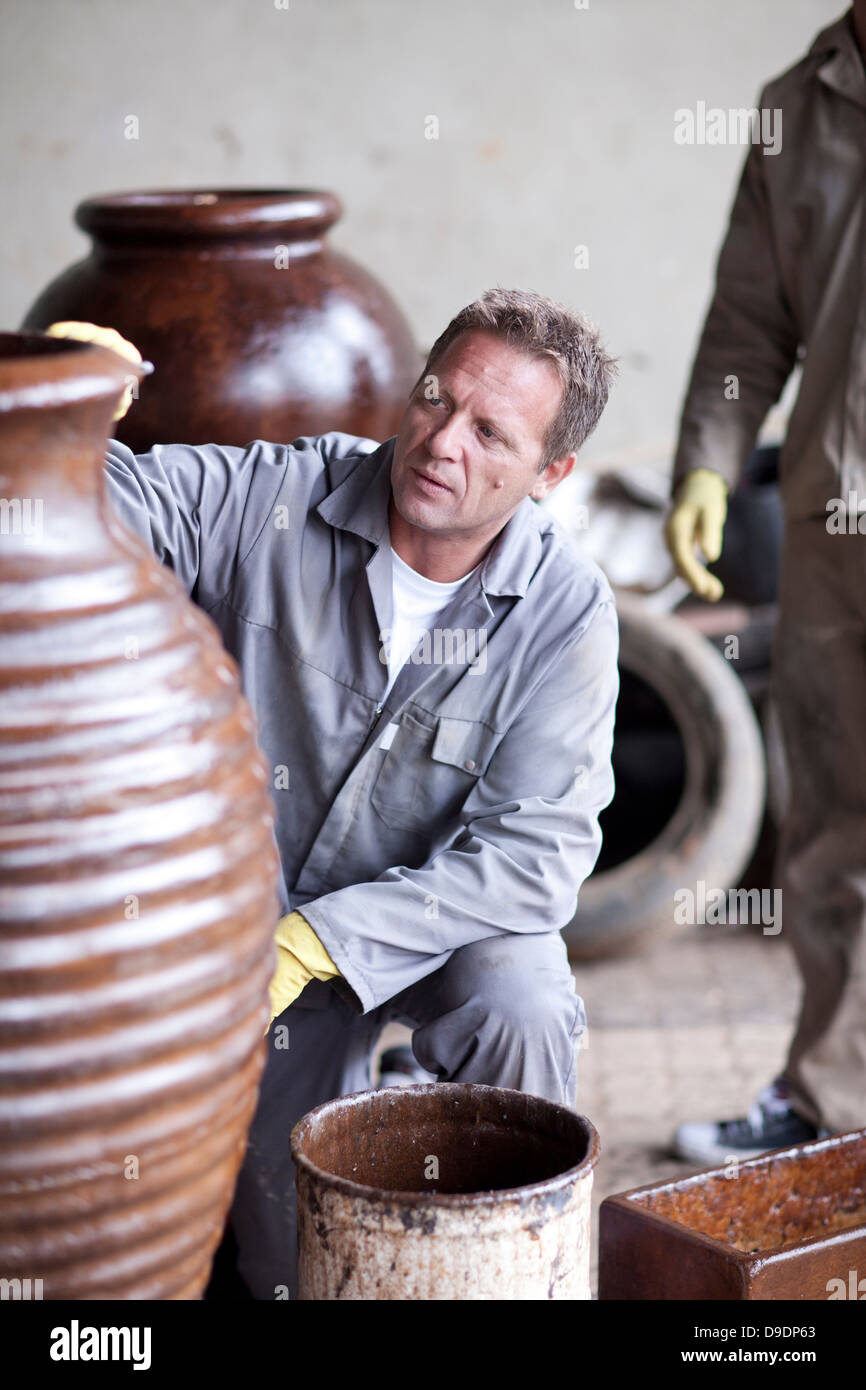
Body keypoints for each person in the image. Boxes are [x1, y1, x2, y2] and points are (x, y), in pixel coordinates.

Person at [49, 287, 619, 1296]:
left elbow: (530, 860)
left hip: (426, 924)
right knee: (290, 1255)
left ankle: (513, 1266)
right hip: (248, 920)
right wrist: (68, 407)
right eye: (437, 400)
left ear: (549, 474)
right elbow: (88, 502)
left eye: (491, 433)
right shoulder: (273, 499)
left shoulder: (565, 614)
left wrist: (322, 940)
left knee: (522, 997)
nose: (443, 442)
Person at [665, 6, 866, 1164]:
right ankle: (835, 1102)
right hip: (834, 524)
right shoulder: (798, 107)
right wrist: (703, 463)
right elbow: (749, 322)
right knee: (838, 824)